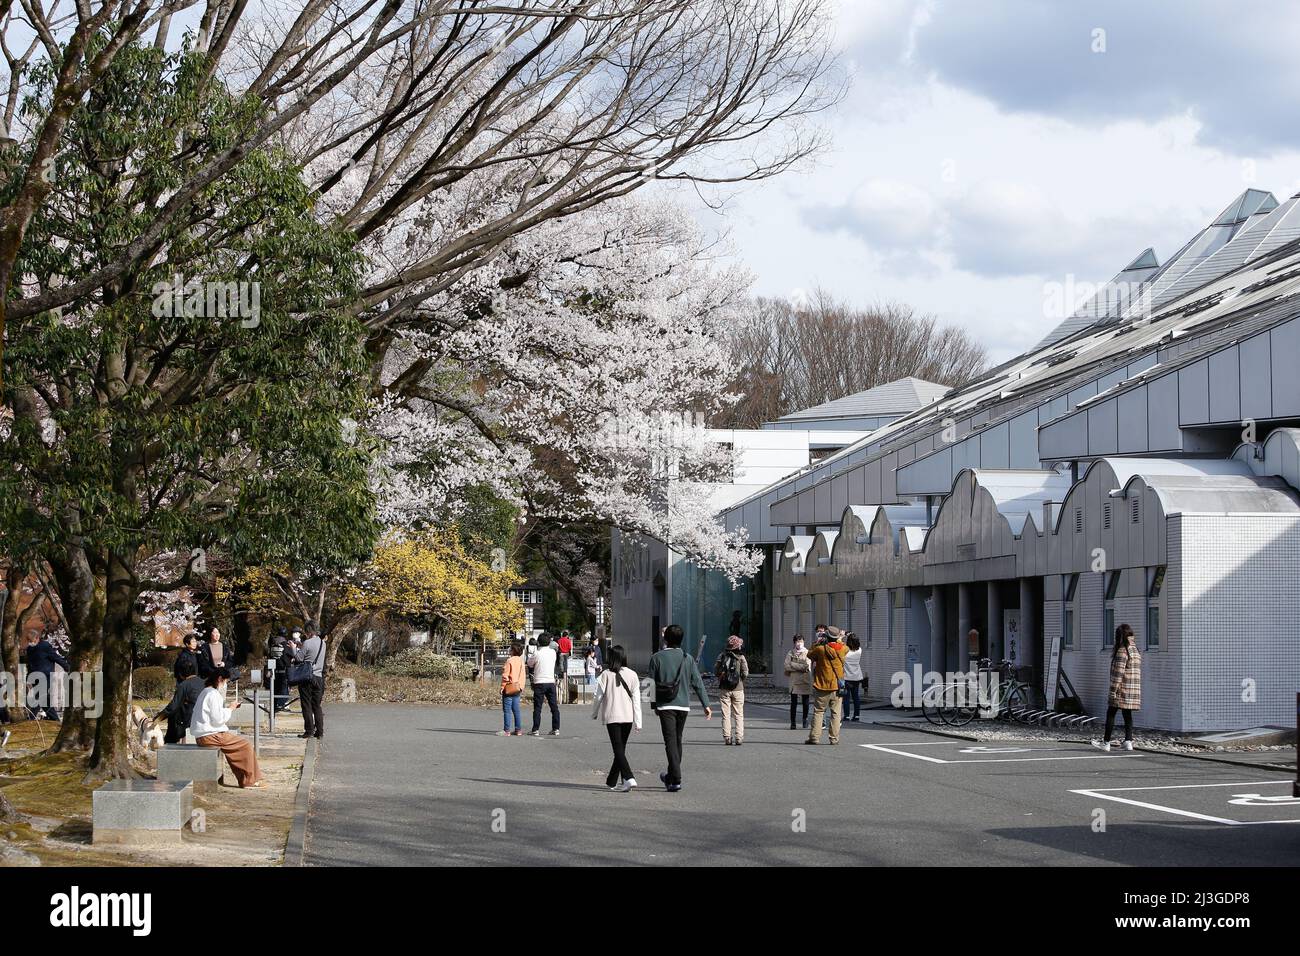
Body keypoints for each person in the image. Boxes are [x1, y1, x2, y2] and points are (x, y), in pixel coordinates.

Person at [648, 624, 711, 792]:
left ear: (665, 638)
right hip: (683, 705)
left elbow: (649, 685)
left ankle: (675, 778)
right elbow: (697, 682)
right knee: (677, 740)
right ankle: (670, 776)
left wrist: (654, 705)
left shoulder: (657, 657)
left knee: (670, 742)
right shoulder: (687, 658)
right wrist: (706, 705)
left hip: (665, 705)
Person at [191, 666, 265, 788]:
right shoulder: (213, 694)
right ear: (220, 679)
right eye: (225, 681)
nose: (226, 684)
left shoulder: (205, 691)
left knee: (239, 747)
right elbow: (218, 719)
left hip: (205, 735)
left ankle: (246, 779)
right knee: (245, 746)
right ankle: (249, 780)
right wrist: (231, 708)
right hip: (212, 735)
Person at [591, 643, 642, 791]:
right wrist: (638, 721)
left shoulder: (605, 675)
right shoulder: (632, 674)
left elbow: (598, 696)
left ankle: (629, 777)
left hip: (612, 716)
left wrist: (594, 713)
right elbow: (636, 699)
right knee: (620, 749)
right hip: (628, 716)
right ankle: (612, 781)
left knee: (618, 749)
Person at [1094, 623, 1142, 752]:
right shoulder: (1135, 650)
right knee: (1127, 714)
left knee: (1111, 713)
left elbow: (1118, 674)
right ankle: (1128, 741)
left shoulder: (1122, 650)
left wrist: (1112, 691)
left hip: (1122, 689)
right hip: (1133, 690)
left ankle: (1106, 742)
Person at [805, 630, 848, 745]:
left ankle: (814, 737)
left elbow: (809, 654)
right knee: (836, 713)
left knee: (819, 712)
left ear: (827, 637)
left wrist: (817, 642)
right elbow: (846, 647)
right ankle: (834, 739)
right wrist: (840, 639)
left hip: (822, 686)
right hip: (837, 687)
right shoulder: (843, 649)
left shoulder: (820, 649)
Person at [157, 656, 205, 743]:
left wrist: (158, 718)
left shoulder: (184, 685)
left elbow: (173, 706)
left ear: (181, 674)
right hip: (204, 717)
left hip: (188, 719)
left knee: (173, 715)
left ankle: (170, 743)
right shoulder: (203, 683)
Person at [23, 633, 69, 720]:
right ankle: (55, 719)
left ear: (37, 638)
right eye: (28, 641)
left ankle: (31, 719)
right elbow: (29, 664)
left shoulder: (45, 646)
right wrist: (28, 677)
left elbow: (56, 657)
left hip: (46, 676)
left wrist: (66, 667)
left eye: (31, 640)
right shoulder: (29, 649)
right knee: (44, 700)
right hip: (34, 676)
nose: (30, 642)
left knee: (39, 696)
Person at [713, 635, 749, 746]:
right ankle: (739, 738)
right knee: (738, 714)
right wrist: (740, 681)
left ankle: (727, 737)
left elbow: (716, 671)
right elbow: (745, 673)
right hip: (738, 689)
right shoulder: (741, 657)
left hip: (724, 688)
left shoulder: (722, 656)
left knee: (726, 714)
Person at [293, 621, 326, 740]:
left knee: (306, 705)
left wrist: (294, 648)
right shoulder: (323, 643)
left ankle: (309, 731)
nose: (306, 633)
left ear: (310, 631)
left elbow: (298, 658)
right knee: (316, 705)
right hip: (319, 678)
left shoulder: (307, 643)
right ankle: (320, 731)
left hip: (307, 678)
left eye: (306, 631)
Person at [527, 633, 561, 736]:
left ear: (539, 642)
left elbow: (530, 663)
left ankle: (535, 729)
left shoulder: (537, 653)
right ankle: (556, 728)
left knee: (537, 707)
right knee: (554, 706)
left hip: (539, 682)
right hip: (550, 682)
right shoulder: (553, 653)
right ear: (549, 642)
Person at [784, 635, 813, 730]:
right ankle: (793, 722)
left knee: (805, 701)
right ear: (794, 642)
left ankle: (805, 719)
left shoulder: (807, 652)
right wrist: (797, 666)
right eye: (797, 641)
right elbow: (786, 666)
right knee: (793, 702)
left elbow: (806, 666)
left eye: (801, 641)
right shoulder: (790, 652)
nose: (799, 643)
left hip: (805, 679)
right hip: (794, 681)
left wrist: (793, 664)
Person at [499, 641, 526, 736]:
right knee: (516, 710)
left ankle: (506, 730)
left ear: (513, 651)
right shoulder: (521, 661)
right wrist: (521, 687)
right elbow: (523, 675)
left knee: (507, 710)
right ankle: (518, 730)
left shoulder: (509, 661)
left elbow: (505, 676)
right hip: (518, 687)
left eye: (510, 649)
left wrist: (502, 687)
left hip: (509, 687)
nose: (509, 650)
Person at [843, 632, 864, 722]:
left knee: (846, 698)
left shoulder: (845, 651)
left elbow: (840, 644)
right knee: (856, 697)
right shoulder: (859, 650)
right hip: (856, 677)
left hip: (846, 677)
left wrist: (843, 635)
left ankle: (846, 716)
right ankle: (856, 716)